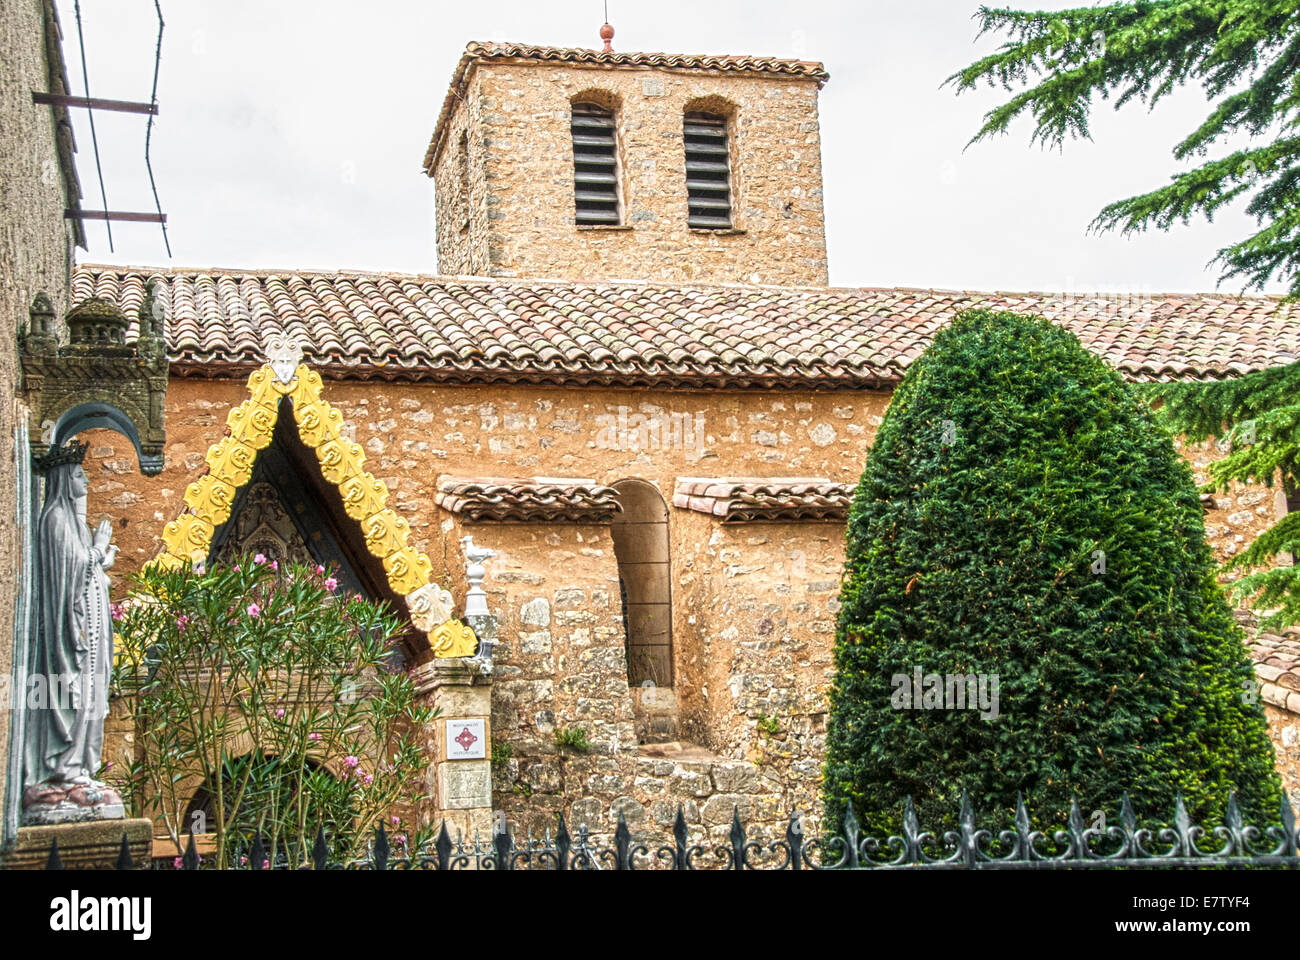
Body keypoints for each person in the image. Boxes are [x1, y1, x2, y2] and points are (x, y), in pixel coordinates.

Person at [24, 440, 118, 788]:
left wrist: (100, 558)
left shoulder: (74, 523)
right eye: (79, 476)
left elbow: (85, 567)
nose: (86, 482)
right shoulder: (56, 520)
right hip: (69, 633)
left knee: (92, 696)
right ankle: (65, 766)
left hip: (89, 629)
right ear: (64, 479)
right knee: (73, 694)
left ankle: (79, 766)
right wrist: (97, 549)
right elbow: (72, 569)